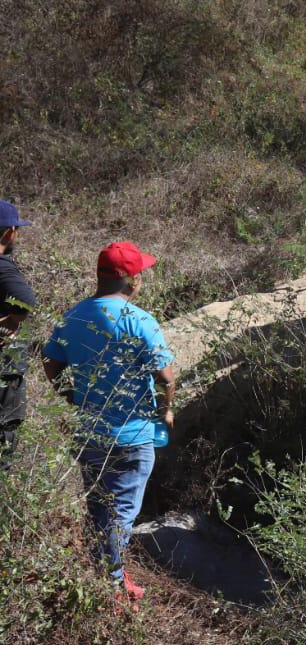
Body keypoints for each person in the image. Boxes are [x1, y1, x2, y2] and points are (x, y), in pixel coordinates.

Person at [43, 242, 176, 600]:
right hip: (131, 436)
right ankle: (111, 586)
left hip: (90, 434)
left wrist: (71, 397)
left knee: (100, 508)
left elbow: (50, 364)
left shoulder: (72, 316)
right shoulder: (139, 320)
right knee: (121, 515)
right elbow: (165, 376)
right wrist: (168, 409)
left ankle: (102, 575)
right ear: (130, 279)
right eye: (140, 273)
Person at [0, 200, 35, 471]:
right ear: (9, 231)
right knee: (5, 427)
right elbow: (26, 301)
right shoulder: (3, 266)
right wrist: (11, 320)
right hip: (4, 365)